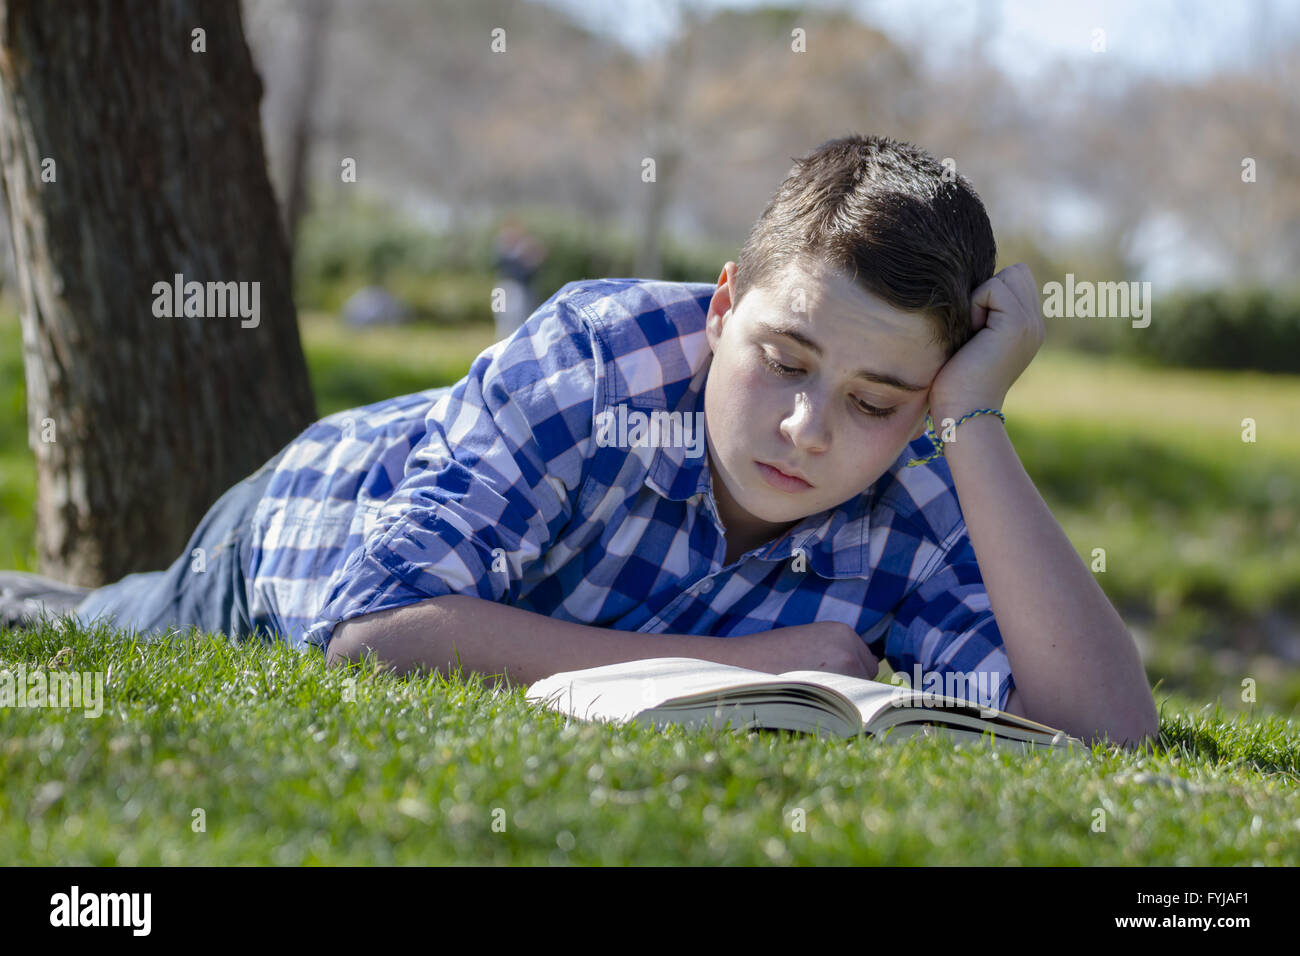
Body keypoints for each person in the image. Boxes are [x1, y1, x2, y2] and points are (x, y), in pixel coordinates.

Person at [2, 134, 1157, 748]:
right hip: (286, 552)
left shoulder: (916, 478)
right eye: (786, 362)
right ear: (721, 308)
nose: (809, 429)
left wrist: (973, 421)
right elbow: (369, 634)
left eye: (877, 398)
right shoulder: (601, 356)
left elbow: (1104, 729)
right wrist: (755, 671)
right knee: (101, 625)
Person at [492, 218, 547, 342]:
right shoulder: (503, 251)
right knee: (504, 322)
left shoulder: (520, 250)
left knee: (516, 321)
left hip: (516, 289)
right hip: (504, 288)